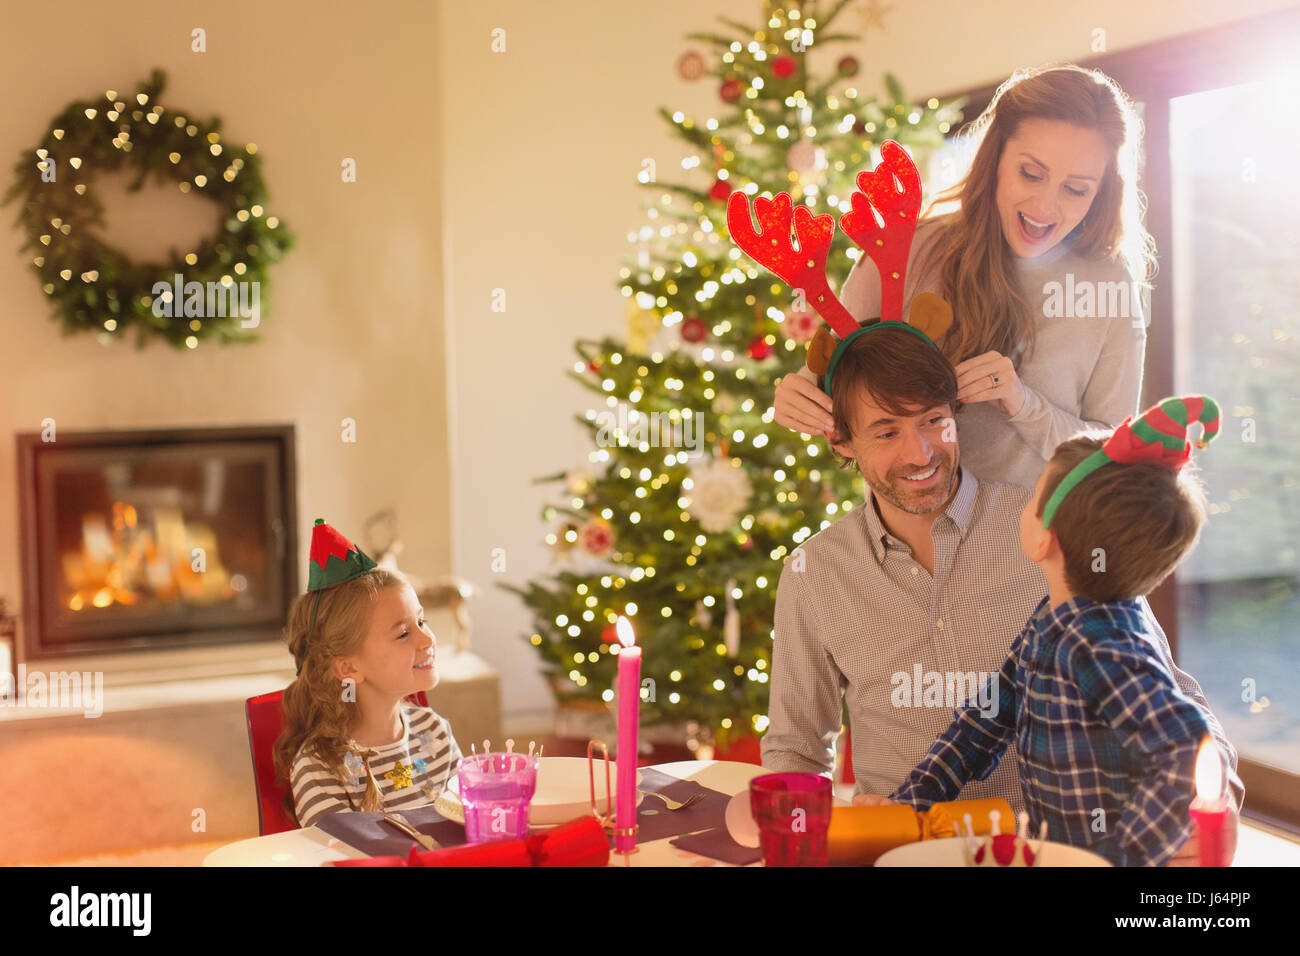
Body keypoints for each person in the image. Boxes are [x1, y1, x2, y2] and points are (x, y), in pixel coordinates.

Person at [760, 327, 1241, 863]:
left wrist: (1202, 809)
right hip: (899, 852)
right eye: (886, 431)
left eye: (934, 421)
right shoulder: (814, 571)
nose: (919, 452)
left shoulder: (1064, 533)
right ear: (842, 442)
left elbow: (1184, 714)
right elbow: (798, 750)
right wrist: (841, 824)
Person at [884, 397, 1243, 865]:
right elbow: (986, 719)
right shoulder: (1052, 617)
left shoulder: (1101, 644)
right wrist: (914, 799)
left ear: (1045, 538)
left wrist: (1121, 856)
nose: (1024, 505)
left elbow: (1185, 751)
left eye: (1033, 497)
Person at [774, 64, 1155, 491]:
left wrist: (1023, 403)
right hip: (912, 544)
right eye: (1031, 174)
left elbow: (1111, 454)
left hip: (1040, 547)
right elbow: (840, 371)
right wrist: (801, 395)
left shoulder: (1108, 283)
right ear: (995, 159)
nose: (1046, 206)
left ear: (1102, 191)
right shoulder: (911, 250)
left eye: (1076, 189)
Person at [272, 519, 461, 828]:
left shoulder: (435, 732)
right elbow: (341, 856)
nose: (427, 639)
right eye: (402, 634)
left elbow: (467, 829)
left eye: (421, 621)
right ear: (348, 667)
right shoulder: (320, 768)